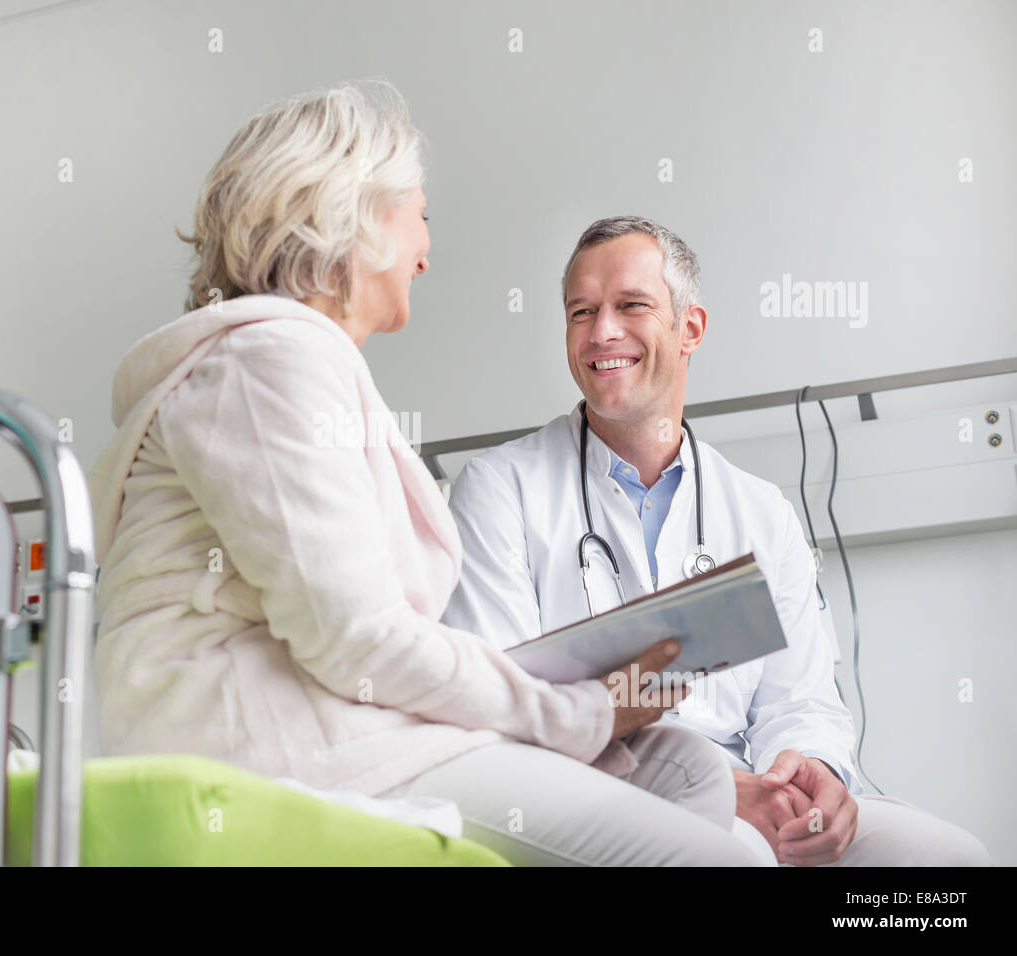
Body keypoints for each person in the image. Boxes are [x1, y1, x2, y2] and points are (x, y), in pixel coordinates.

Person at [85, 83, 764, 865]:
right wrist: (576, 711)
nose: (426, 251)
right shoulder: (266, 364)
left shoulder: (299, 365)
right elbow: (357, 639)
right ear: (357, 211)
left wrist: (591, 706)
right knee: (729, 858)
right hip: (285, 747)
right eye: (421, 214)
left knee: (690, 771)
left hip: (351, 726)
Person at [442, 214, 993, 866]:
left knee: (946, 860)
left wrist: (812, 775)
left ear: (690, 329)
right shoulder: (501, 487)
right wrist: (719, 792)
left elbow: (801, 699)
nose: (602, 332)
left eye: (631, 306)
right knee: (737, 855)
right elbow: (498, 709)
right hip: (600, 784)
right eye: (581, 312)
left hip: (756, 783)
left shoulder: (761, 511)